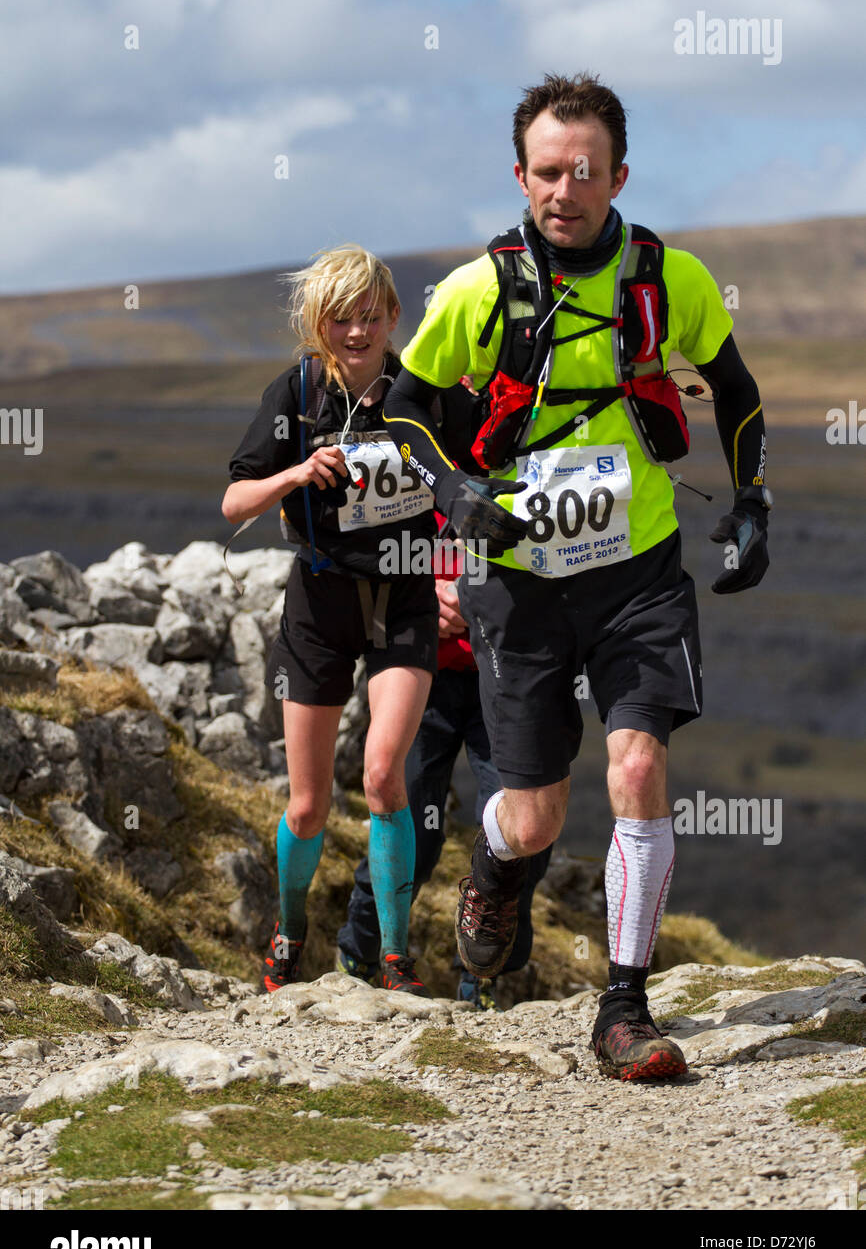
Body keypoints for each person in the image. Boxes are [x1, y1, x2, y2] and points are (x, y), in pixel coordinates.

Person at [381, 73, 771, 1079]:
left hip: (637, 569)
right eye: (547, 171)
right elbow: (404, 409)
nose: (565, 188)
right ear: (520, 175)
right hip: (519, 580)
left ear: (617, 175)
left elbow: (734, 392)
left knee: (636, 762)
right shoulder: (476, 292)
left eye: (584, 170)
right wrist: (455, 490)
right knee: (536, 812)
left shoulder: (667, 279)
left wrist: (751, 500)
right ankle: (498, 865)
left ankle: (622, 1007)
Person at [222, 243, 441, 997]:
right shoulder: (295, 393)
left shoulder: (420, 389)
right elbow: (234, 504)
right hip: (318, 603)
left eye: (370, 316)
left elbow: (480, 465)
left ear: (393, 316)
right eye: (341, 318)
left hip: (406, 598)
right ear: (318, 322)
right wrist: (295, 471)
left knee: (383, 777)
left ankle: (395, 957)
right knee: (310, 805)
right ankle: (290, 935)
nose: (357, 331)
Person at [336, 502, 552, 1009]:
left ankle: (487, 974)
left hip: (502, 677)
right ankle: (359, 955)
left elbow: (556, 569)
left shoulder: (517, 464)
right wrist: (421, 598)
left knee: (522, 828)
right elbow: (356, 560)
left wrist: (474, 600)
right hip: (418, 673)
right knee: (411, 827)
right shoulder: (408, 470)